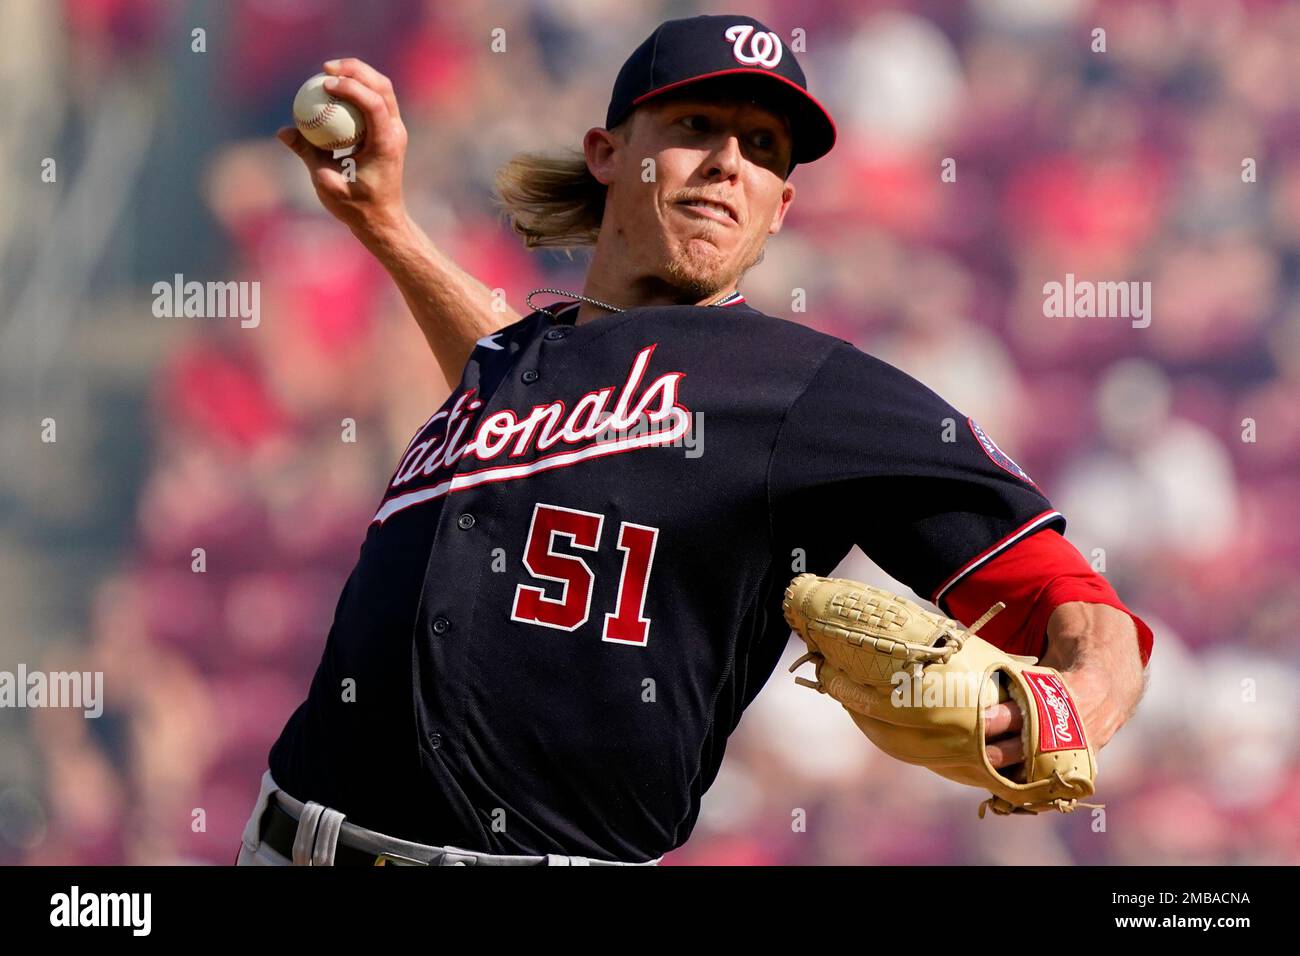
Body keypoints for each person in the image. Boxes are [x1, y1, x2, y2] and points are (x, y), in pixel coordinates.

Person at [237, 13, 1151, 867]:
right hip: (282, 839)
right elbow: (503, 360)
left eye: (762, 150)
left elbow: (1077, 602)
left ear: (781, 207)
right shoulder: (522, 359)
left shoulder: (806, 392)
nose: (728, 164)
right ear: (606, 153)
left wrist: (1076, 704)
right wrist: (387, 224)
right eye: (699, 125)